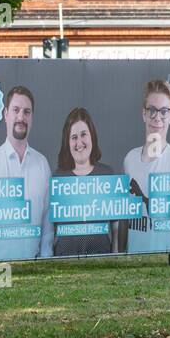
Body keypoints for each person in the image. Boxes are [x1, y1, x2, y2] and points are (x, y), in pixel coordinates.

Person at [0, 85, 54, 261]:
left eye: (27, 112)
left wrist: (45, 268)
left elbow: (47, 226)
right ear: (5, 114)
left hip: (35, 275)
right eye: (16, 110)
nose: (21, 117)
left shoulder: (42, 165)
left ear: (32, 118)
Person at [122, 79, 170, 254]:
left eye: (164, 111)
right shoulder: (130, 160)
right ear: (144, 114)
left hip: (161, 269)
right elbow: (125, 221)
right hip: (131, 269)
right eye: (152, 110)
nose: (157, 117)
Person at [52, 107, 123, 257]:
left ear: (92, 137)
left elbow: (115, 226)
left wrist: (115, 255)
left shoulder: (107, 174)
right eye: (74, 137)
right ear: (67, 142)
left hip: (101, 257)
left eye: (83, 134)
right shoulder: (58, 177)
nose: (79, 142)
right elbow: (51, 227)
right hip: (64, 259)